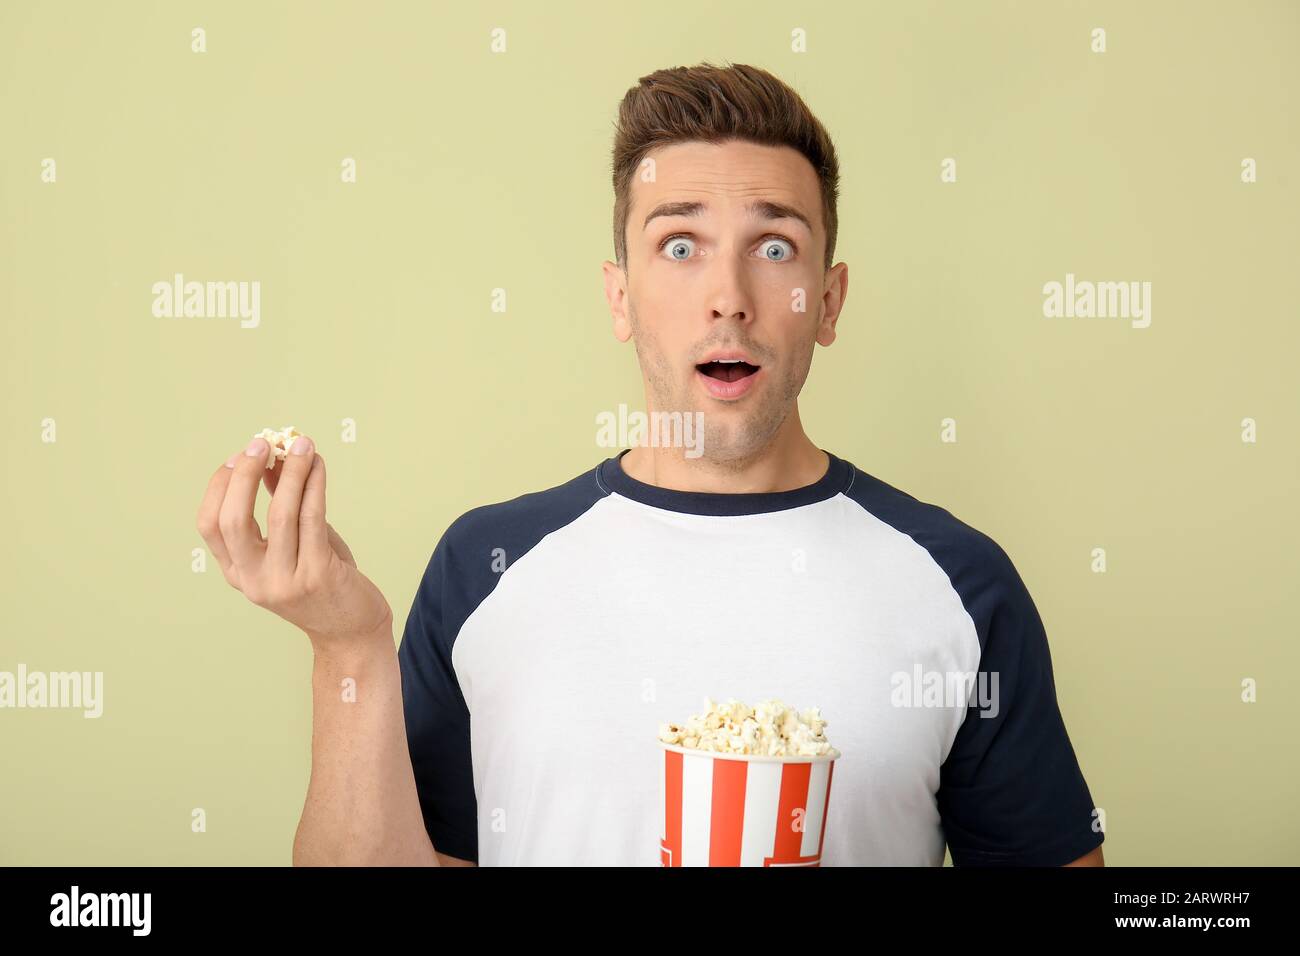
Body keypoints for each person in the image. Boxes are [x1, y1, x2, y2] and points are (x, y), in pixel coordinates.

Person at [196, 62, 1104, 867]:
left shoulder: (959, 585)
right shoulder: (485, 569)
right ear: (620, 296)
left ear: (827, 302)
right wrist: (346, 645)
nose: (728, 297)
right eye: (679, 245)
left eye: (775, 247)